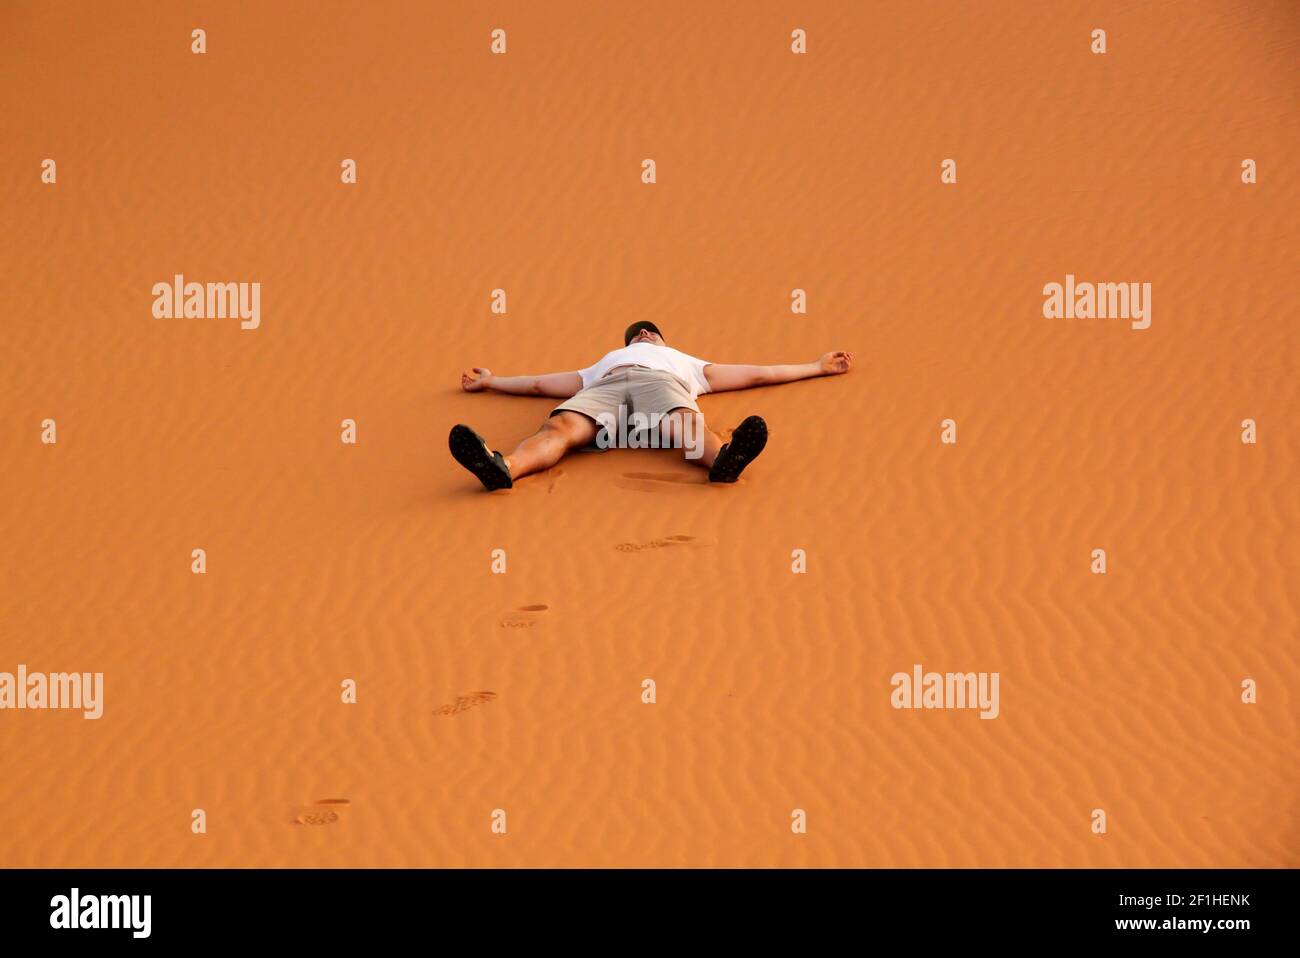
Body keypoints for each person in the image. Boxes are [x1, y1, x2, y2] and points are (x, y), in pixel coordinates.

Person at [449, 321, 853, 489]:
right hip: (605, 389)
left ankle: (724, 463)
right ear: (626, 344)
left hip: (663, 386)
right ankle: (504, 469)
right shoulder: (600, 365)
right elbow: (539, 384)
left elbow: (758, 373)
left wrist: (815, 366)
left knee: (686, 428)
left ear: (662, 341)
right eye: (636, 333)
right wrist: (492, 381)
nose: (644, 332)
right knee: (559, 428)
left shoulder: (688, 363)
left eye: (651, 331)